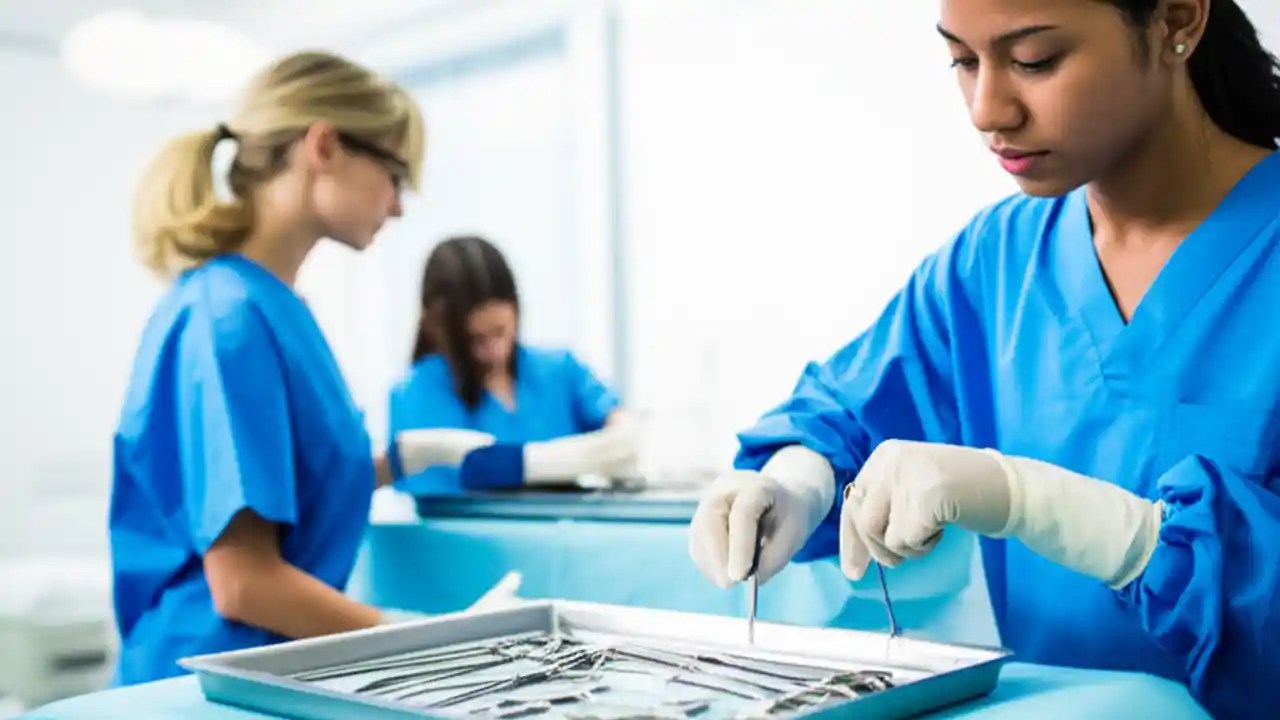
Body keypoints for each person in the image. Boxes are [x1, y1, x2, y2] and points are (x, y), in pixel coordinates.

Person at [688, 1, 1279, 717]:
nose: (986, 109)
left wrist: (1067, 515)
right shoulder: (994, 263)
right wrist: (795, 480)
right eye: (963, 61)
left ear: (1175, 20)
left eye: (1034, 61)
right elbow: (847, 409)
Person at [109, 51, 501, 685]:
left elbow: (284, 485)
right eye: (394, 174)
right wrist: (421, 641)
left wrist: (401, 459)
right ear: (324, 145)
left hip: (260, 672)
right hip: (202, 682)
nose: (397, 206)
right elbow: (245, 584)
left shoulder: (270, 306)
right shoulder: (226, 316)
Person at [386, 235, 637, 494]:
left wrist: (623, 436)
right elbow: (434, 488)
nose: (493, 351)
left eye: (500, 331)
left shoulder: (561, 371)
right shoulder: (416, 394)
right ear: (438, 329)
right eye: (475, 339)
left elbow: (623, 434)